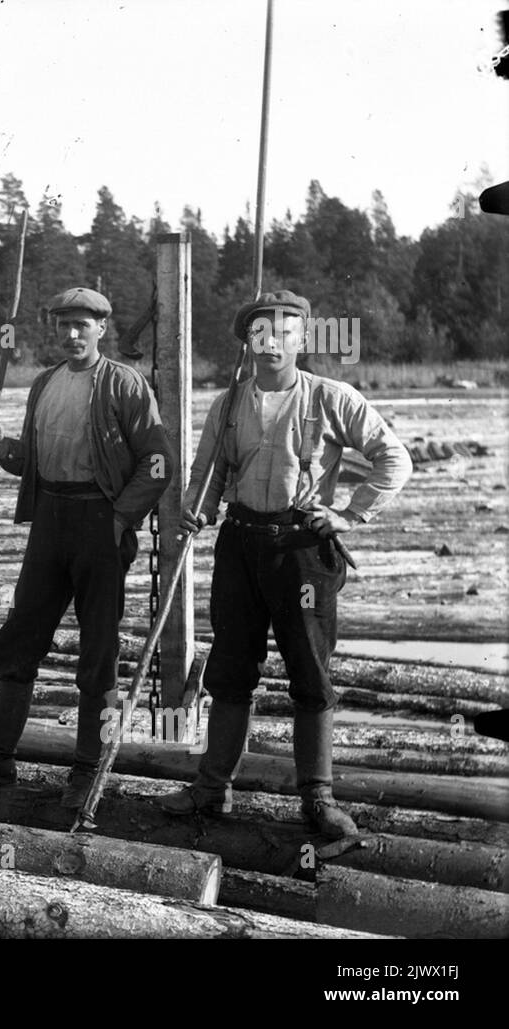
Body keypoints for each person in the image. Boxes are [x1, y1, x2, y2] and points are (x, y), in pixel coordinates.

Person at [160, 290, 412, 839]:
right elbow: (208, 474)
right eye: (259, 332)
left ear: (303, 339)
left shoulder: (329, 397)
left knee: (310, 673)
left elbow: (395, 458)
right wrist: (195, 515)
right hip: (239, 546)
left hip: (302, 552)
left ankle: (317, 800)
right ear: (247, 343)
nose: (271, 341)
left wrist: (350, 513)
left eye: (285, 331)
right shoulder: (229, 404)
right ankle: (211, 789)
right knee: (229, 667)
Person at [0, 287, 173, 808]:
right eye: (63, 325)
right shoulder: (44, 384)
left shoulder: (124, 384)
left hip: (100, 523)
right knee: (20, 640)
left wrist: (119, 517)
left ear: (102, 329)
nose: (71, 335)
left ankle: (89, 771)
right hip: (50, 520)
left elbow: (157, 465)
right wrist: (2, 449)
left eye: (82, 325)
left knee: (98, 654)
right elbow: (31, 462)